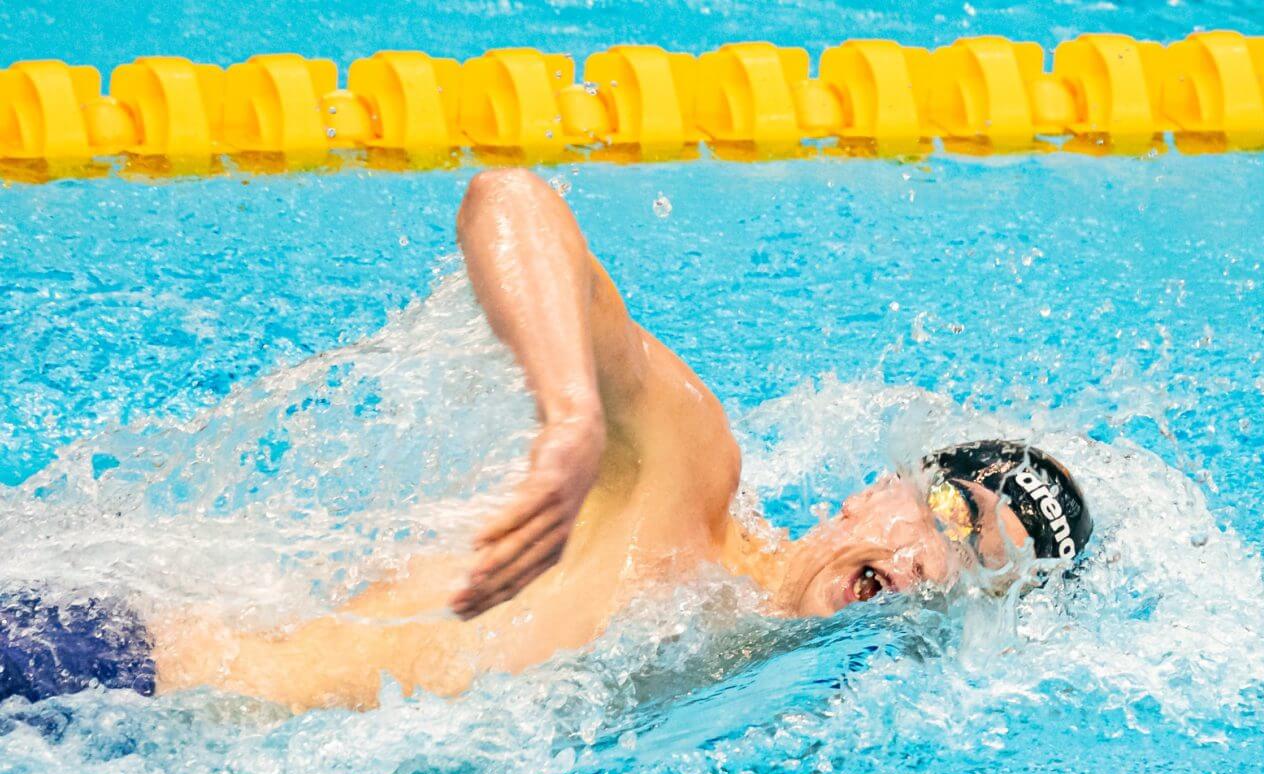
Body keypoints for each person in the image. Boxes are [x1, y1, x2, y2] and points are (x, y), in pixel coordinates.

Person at [0, 169, 1093, 712]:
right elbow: (509, 196)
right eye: (949, 517)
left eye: (975, 568)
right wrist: (571, 414)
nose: (926, 565)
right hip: (97, 679)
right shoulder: (686, 479)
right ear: (868, 497)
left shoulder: (748, 677)